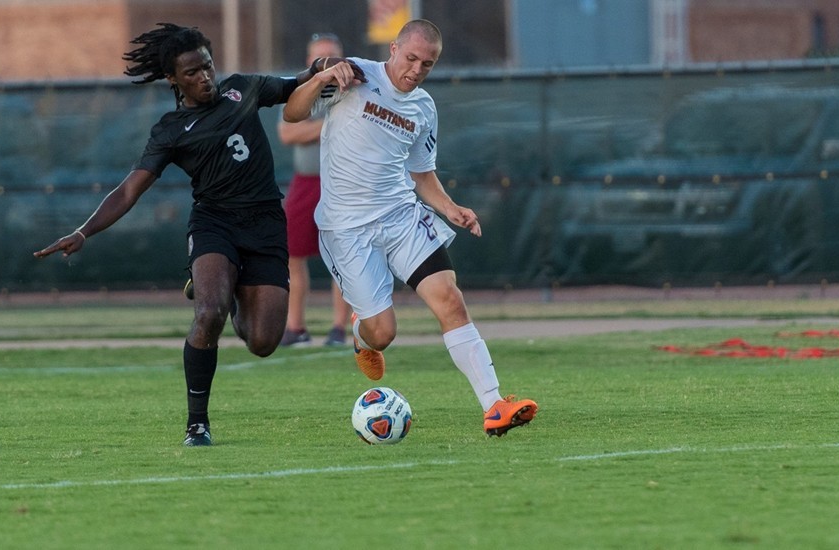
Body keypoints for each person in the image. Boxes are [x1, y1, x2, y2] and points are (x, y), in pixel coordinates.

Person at [34, 23, 365, 447]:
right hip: (215, 224)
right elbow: (130, 188)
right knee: (208, 314)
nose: (204, 77)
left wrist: (323, 65)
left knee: (263, 343)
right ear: (173, 78)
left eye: (207, 66)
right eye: (192, 72)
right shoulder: (170, 130)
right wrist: (85, 231)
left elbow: (296, 84)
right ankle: (197, 424)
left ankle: (229, 288)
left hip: (264, 225)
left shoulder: (242, 89)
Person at [283, 19, 537, 436]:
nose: (417, 70)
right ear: (394, 49)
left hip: (401, 216)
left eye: (428, 64)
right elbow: (293, 114)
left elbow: (422, 175)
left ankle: (494, 406)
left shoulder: (424, 107)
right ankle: (362, 339)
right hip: (347, 229)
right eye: (412, 58)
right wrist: (324, 76)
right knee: (383, 333)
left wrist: (451, 208)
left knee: (449, 298)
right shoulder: (355, 74)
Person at [278, 33, 352, 347]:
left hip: (341, 181)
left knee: (342, 255)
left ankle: (338, 328)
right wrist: (325, 128)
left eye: (331, 56)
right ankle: (296, 328)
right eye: (319, 58)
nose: (326, 64)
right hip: (305, 181)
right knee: (292, 253)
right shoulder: (301, 91)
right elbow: (288, 133)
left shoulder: (353, 91)